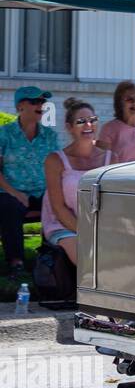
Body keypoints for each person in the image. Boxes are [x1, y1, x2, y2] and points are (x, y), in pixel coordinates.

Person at [41, 99, 112, 266]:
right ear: (69, 127)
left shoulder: (111, 158)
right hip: (64, 226)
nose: (88, 125)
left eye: (92, 120)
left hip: (102, 226)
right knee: (90, 262)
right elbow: (58, 208)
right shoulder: (55, 160)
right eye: (81, 121)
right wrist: (88, 232)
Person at [0, 86, 60, 273]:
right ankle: (16, 262)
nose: (40, 105)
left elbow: (58, 168)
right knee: (9, 206)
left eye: (42, 101)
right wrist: (16, 193)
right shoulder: (4, 134)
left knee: (60, 203)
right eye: (35, 101)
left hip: (43, 191)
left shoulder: (50, 136)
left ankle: (51, 255)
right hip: (11, 191)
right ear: (20, 107)